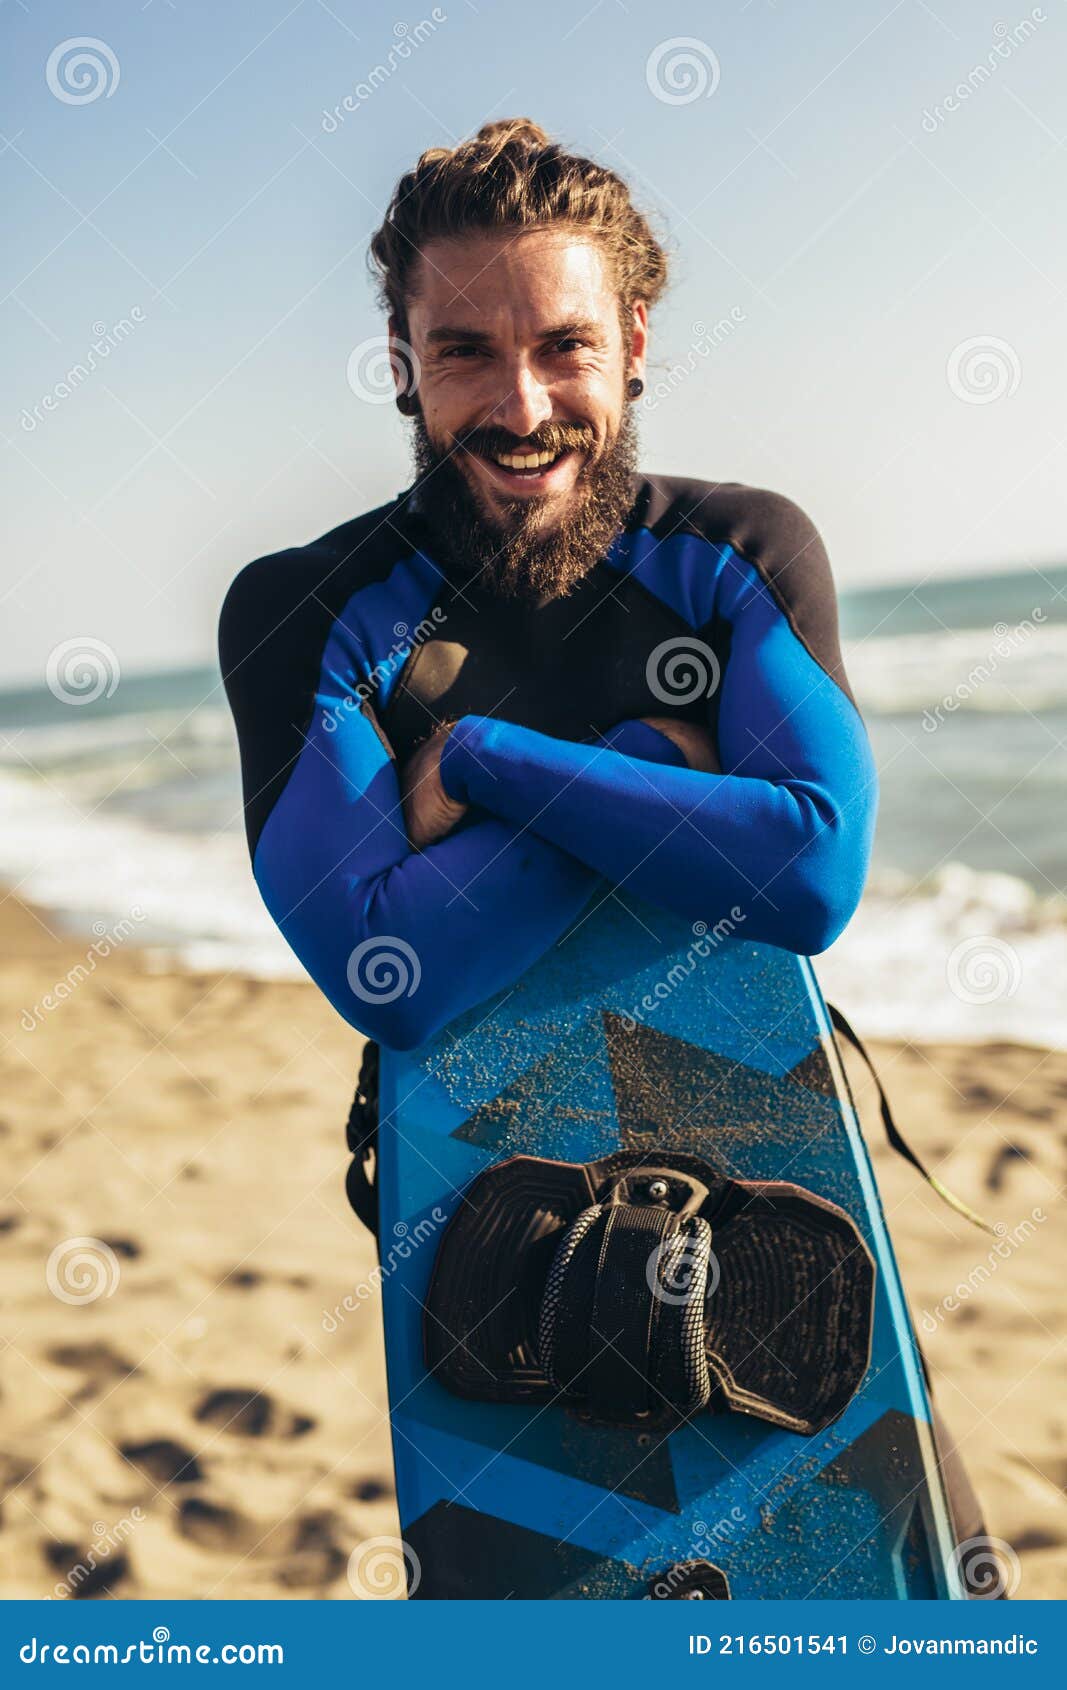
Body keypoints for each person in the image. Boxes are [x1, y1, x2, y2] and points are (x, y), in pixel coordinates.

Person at [219, 116, 989, 1583]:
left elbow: (811, 873)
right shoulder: (309, 606)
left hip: (778, 1179)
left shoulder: (736, 553)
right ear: (400, 360)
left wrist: (499, 765)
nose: (520, 406)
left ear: (635, 341)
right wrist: (662, 778)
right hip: (485, 1222)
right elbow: (393, 967)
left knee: (884, 1595)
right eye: (463, 353)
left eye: (563, 346)